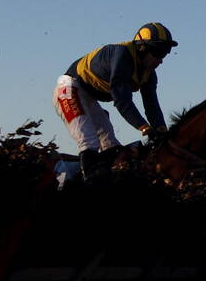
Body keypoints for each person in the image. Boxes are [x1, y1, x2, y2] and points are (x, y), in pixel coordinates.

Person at [54, 23, 177, 182]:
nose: (161, 60)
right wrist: (145, 127)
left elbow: (152, 105)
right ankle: (83, 185)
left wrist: (161, 130)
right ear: (141, 48)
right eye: (158, 52)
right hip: (68, 88)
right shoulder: (122, 56)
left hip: (87, 96)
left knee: (111, 146)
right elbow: (122, 101)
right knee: (89, 141)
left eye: (165, 53)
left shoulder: (149, 74)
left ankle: (90, 178)